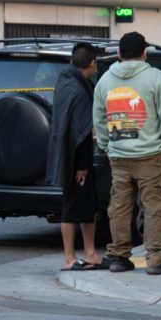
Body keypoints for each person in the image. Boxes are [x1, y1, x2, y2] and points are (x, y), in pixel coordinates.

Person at [93, 31, 161, 275]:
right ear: (145, 53)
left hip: (118, 154)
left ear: (119, 54)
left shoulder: (105, 80)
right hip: (150, 153)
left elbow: (99, 117)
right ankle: (156, 259)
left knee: (120, 206)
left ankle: (119, 257)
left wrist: (106, 144)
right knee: (155, 205)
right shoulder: (156, 78)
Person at [46, 42, 107, 271]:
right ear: (91, 63)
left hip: (65, 154)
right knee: (72, 208)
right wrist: (82, 165)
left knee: (86, 206)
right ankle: (70, 259)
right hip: (76, 160)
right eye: (96, 63)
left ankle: (90, 254)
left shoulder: (64, 81)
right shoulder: (79, 90)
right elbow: (80, 132)